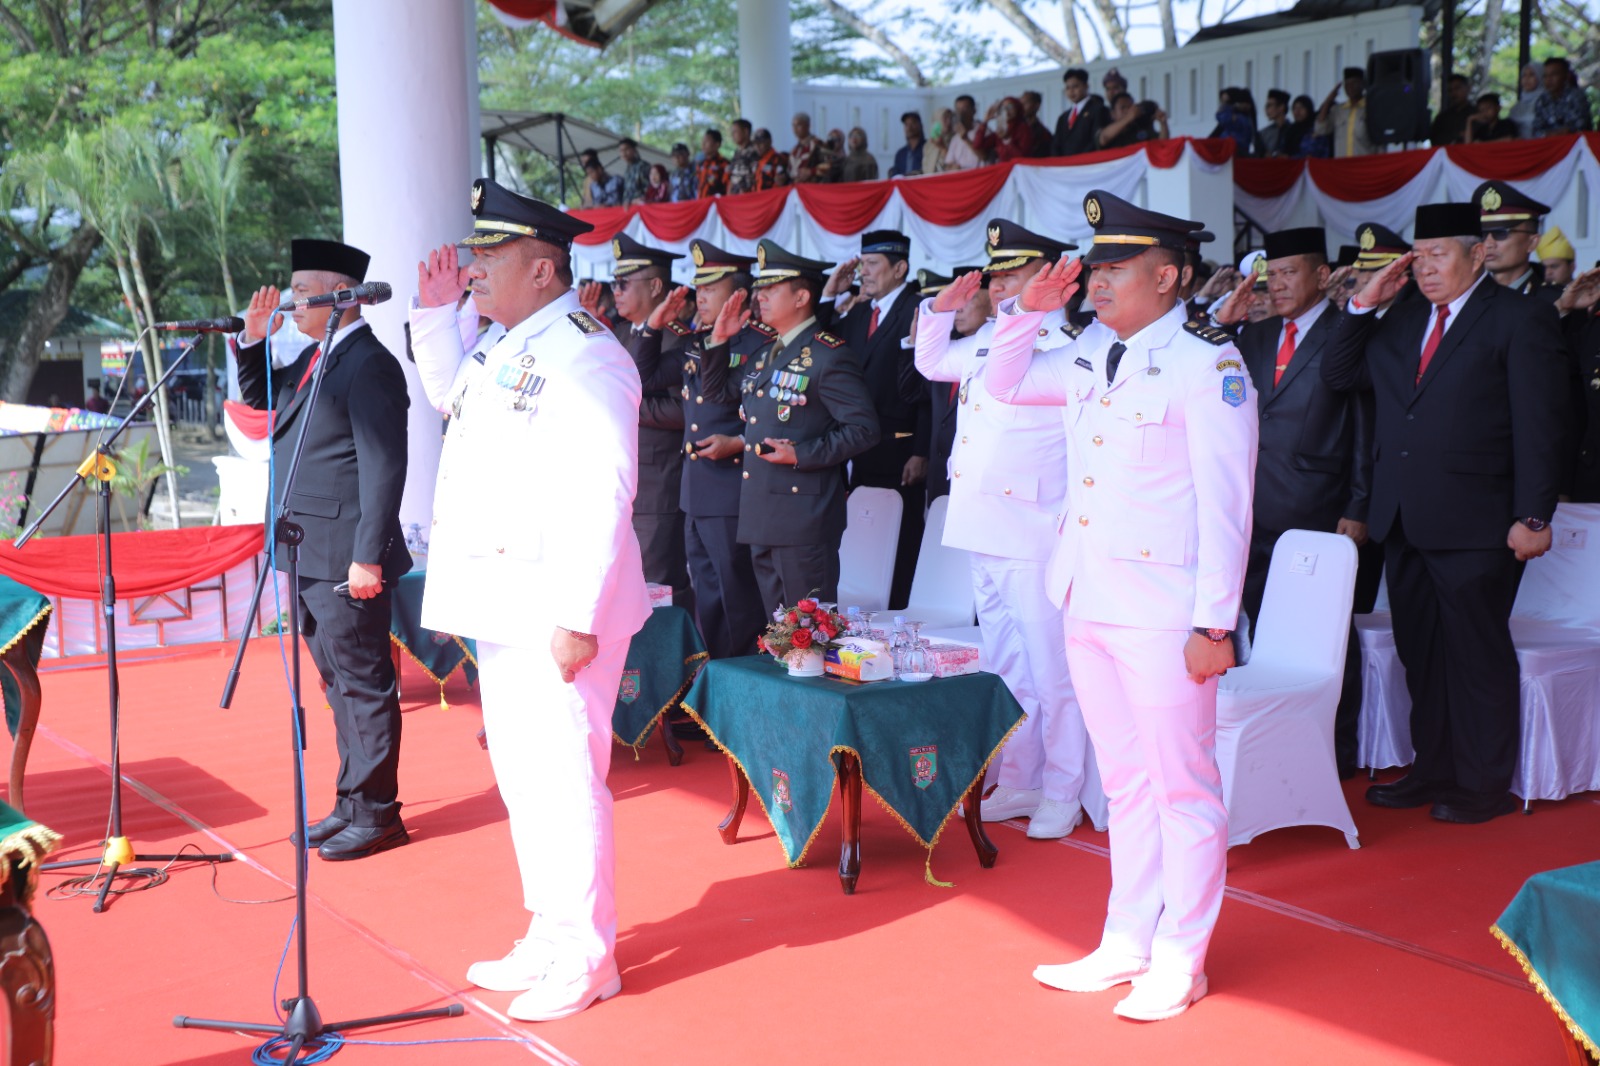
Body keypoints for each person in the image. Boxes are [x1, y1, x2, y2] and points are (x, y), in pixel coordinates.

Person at [985, 190, 1256, 1022]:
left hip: (1166, 611)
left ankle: (1183, 957)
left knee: (1184, 787)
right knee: (1128, 784)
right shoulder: (1087, 353)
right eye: (1094, 269)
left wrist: (1215, 623)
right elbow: (1002, 385)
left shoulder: (1208, 364)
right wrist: (1024, 315)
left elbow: (1228, 505)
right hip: (1088, 595)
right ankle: (1126, 940)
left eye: (1115, 269)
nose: (1097, 283)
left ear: (1169, 276)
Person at [410, 179, 650, 1020]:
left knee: (565, 778)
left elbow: (604, 490)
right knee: (523, 776)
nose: (474, 267)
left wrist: (578, 615)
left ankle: (589, 955)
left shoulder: (584, 352)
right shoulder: (501, 345)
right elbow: (449, 395)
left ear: (544, 269)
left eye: (490, 255)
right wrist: (437, 314)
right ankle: (550, 931)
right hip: (504, 599)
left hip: (555, 606)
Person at [1323, 201, 1567, 825]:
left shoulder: (1519, 317)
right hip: (1404, 517)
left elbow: (1542, 423)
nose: (1425, 268)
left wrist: (1534, 516)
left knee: (1474, 651)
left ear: (1478, 252)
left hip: (1480, 519)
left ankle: (1482, 783)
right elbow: (1339, 372)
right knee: (1420, 650)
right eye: (1419, 256)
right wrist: (1364, 301)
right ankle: (1433, 768)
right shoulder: (1402, 320)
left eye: (1438, 255)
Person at [913, 220, 1095, 841]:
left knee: (1053, 671)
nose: (997, 286)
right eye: (995, 276)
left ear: (1048, 277)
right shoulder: (991, 337)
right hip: (982, 527)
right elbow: (931, 360)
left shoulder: (1070, 341)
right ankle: (1020, 776)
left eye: (1013, 274)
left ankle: (1065, 788)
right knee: (1007, 666)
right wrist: (938, 309)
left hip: (1036, 528)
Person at [236, 238, 411, 861]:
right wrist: (253, 338)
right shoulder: (315, 359)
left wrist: (369, 555)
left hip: (345, 555)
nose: (292, 301)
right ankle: (351, 802)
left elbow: (384, 467)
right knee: (336, 680)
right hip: (306, 550)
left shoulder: (369, 364)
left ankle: (379, 812)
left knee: (363, 681)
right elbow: (262, 401)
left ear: (341, 293)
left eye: (303, 289)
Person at [1221, 226, 1374, 778]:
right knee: (1262, 629)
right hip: (1252, 508)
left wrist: (1357, 505)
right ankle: (1277, 741)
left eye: (1290, 273)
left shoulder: (1347, 333)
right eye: (1270, 275)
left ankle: (1337, 750)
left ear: (1322, 275)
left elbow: (1363, 428)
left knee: (1326, 635)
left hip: (1318, 507)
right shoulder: (1255, 337)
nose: (1278, 285)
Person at [697, 240, 879, 609]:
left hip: (803, 519)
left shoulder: (829, 355)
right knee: (779, 638)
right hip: (762, 515)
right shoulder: (767, 354)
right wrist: (719, 339)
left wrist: (801, 454)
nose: (760, 296)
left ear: (800, 298)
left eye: (771, 289)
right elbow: (717, 392)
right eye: (760, 288)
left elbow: (864, 429)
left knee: (807, 638)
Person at [634, 240, 770, 660]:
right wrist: (654, 325)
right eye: (699, 288)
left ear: (738, 296)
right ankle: (714, 681)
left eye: (710, 289)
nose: (700, 297)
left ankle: (739, 682)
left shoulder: (759, 344)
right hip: (695, 491)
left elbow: (772, 418)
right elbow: (644, 377)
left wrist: (741, 444)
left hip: (733, 488)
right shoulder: (696, 342)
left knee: (738, 598)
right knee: (708, 597)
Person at [819, 231, 929, 608]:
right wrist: (830, 295)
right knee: (863, 543)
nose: (863, 272)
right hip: (858, 451)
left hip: (899, 450)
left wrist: (921, 450)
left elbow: (928, 387)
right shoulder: (859, 312)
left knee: (900, 543)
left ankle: (897, 618)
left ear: (899, 268)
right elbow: (819, 344)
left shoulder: (918, 309)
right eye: (861, 264)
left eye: (873, 265)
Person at [607, 233, 692, 608]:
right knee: (620, 591)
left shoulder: (678, 341)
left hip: (657, 486)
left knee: (657, 590)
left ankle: (672, 666)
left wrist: (628, 407)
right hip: (617, 483)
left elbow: (688, 411)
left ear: (656, 286)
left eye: (624, 283)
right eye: (614, 282)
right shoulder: (618, 333)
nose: (616, 290)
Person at [1474, 179, 1561, 303]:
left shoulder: (1556, 300)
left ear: (1532, 243)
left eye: (1501, 233)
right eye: (1482, 235)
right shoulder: (1471, 298)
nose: (1488, 243)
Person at [1315, 67, 1373, 158]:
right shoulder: (1338, 109)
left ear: (1363, 84)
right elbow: (1320, 129)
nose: (1350, 87)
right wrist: (1328, 100)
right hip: (1343, 166)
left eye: (1354, 83)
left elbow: (1380, 144)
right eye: (1347, 84)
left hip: (1365, 164)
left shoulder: (1371, 108)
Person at [1053, 67, 1108, 157]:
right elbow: (1056, 144)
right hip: (1064, 167)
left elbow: (1096, 140)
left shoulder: (1098, 110)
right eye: (1068, 88)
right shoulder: (1063, 117)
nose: (1071, 91)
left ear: (1086, 86)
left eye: (1075, 86)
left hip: (1087, 163)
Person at [1532, 57, 1594, 137]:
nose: (1549, 79)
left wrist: (1560, 133)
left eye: (1553, 75)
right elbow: (1536, 131)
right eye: (1545, 76)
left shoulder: (1576, 96)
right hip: (1549, 145)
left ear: (1566, 75)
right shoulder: (1542, 100)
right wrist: (1552, 134)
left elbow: (1579, 127)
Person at [1098, 93, 1167, 149]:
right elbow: (1103, 139)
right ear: (1113, 113)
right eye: (1123, 108)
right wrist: (1129, 117)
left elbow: (1161, 145)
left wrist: (1163, 124)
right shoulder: (1108, 128)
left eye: (1130, 107)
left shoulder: (1139, 127)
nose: (1128, 110)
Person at [1209, 87, 1258, 157]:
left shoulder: (1241, 119)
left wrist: (1229, 108)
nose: (1223, 106)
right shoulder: (1235, 118)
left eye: (1226, 103)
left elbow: (1221, 117)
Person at [987, 96, 1036, 161]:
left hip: (1018, 168)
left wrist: (1007, 140)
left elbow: (1022, 156)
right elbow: (978, 144)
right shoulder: (1002, 127)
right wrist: (986, 120)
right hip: (1003, 168)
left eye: (1010, 107)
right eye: (1003, 108)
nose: (1006, 110)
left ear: (1017, 108)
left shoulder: (1024, 128)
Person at [1430, 74, 1474, 146]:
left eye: (1457, 88)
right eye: (1450, 90)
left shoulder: (1477, 114)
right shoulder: (1442, 118)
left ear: (1468, 88)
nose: (1454, 93)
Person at [1508, 62, 1547, 139]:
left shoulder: (1547, 101)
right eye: (1524, 75)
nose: (1526, 79)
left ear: (1541, 77)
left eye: (1532, 75)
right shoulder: (1516, 107)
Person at [790, 112, 829, 183]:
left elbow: (828, 165)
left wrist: (811, 171)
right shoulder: (794, 149)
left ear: (808, 126)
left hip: (812, 188)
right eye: (793, 125)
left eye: (798, 125)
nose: (795, 129)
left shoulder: (818, 144)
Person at [726, 119, 759, 196]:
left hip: (749, 196)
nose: (732, 135)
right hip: (734, 196)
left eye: (735, 132)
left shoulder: (755, 151)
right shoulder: (737, 152)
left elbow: (757, 176)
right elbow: (733, 175)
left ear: (746, 132)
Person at [889, 111, 926, 177]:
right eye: (906, 124)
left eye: (913, 123)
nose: (909, 127)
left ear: (921, 126)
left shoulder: (928, 148)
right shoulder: (900, 154)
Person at [695, 129, 729, 198]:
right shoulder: (701, 164)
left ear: (717, 144)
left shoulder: (724, 164)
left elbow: (727, 186)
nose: (703, 144)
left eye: (707, 141)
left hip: (716, 204)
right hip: (701, 203)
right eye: (703, 141)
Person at [1257, 89, 1292, 156]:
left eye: (1269, 106)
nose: (1266, 110)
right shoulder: (1264, 133)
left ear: (1281, 107)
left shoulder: (1293, 131)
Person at [617, 138, 650, 205]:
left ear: (634, 150)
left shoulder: (643, 166)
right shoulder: (627, 169)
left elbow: (649, 189)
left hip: (641, 207)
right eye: (621, 150)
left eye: (626, 149)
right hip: (629, 207)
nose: (623, 153)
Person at [1020, 90, 1053, 157]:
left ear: (1037, 106)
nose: (1022, 107)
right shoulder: (1015, 128)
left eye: (1025, 103)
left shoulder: (1044, 133)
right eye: (1020, 103)